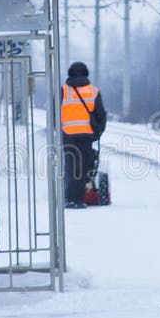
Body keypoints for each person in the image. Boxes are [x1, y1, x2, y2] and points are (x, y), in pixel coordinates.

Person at [60, 61, 106, 209]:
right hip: (86, 135)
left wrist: (58, 130)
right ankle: (79, 200)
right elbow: (101, 115)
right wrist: (98, 132)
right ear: (86, 73)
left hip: (68, 135)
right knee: (82, 167)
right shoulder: (93, 91)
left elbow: (54, 112)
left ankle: (68, 199)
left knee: (70, 166)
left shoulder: (62, 91)